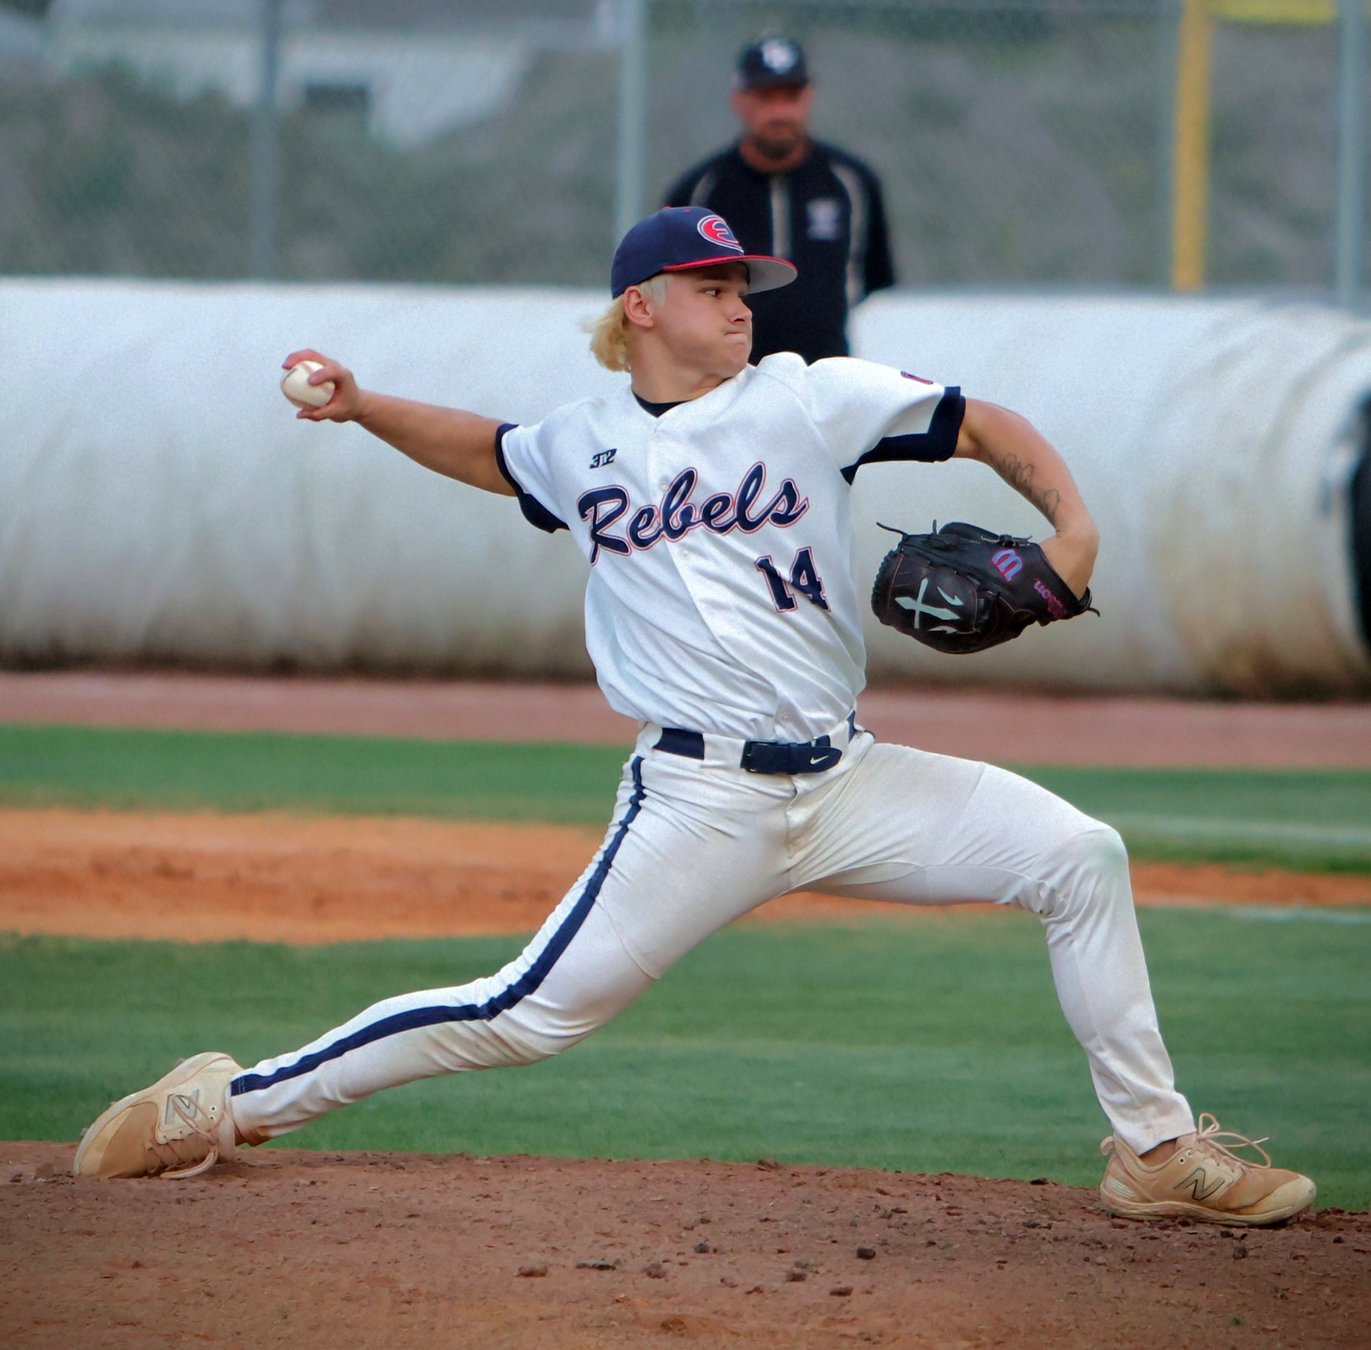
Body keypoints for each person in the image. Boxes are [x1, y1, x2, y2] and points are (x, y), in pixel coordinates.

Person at [73, 206, 1315, 1228]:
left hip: (849, 783)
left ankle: (1155, 1149)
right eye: (712, 286)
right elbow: (491, 451)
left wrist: (1074, 531)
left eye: (743, 287)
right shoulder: (582, 444)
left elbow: (986, 423)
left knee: (1078, 857)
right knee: (522, 1014)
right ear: (642, 307)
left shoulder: (810, 398)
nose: (739, 304)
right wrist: (361, 404)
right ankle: (226, 1105)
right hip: (698, 803)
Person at [662, 35, 894, 364]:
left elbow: (873, 278)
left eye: (791, 96)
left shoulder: (852, 183)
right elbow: (673, 291)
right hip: (728, 378)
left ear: (809, 97)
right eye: (765, 97)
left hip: (826, 375)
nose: (780, 111)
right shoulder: (700, 191)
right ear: (738, 100)